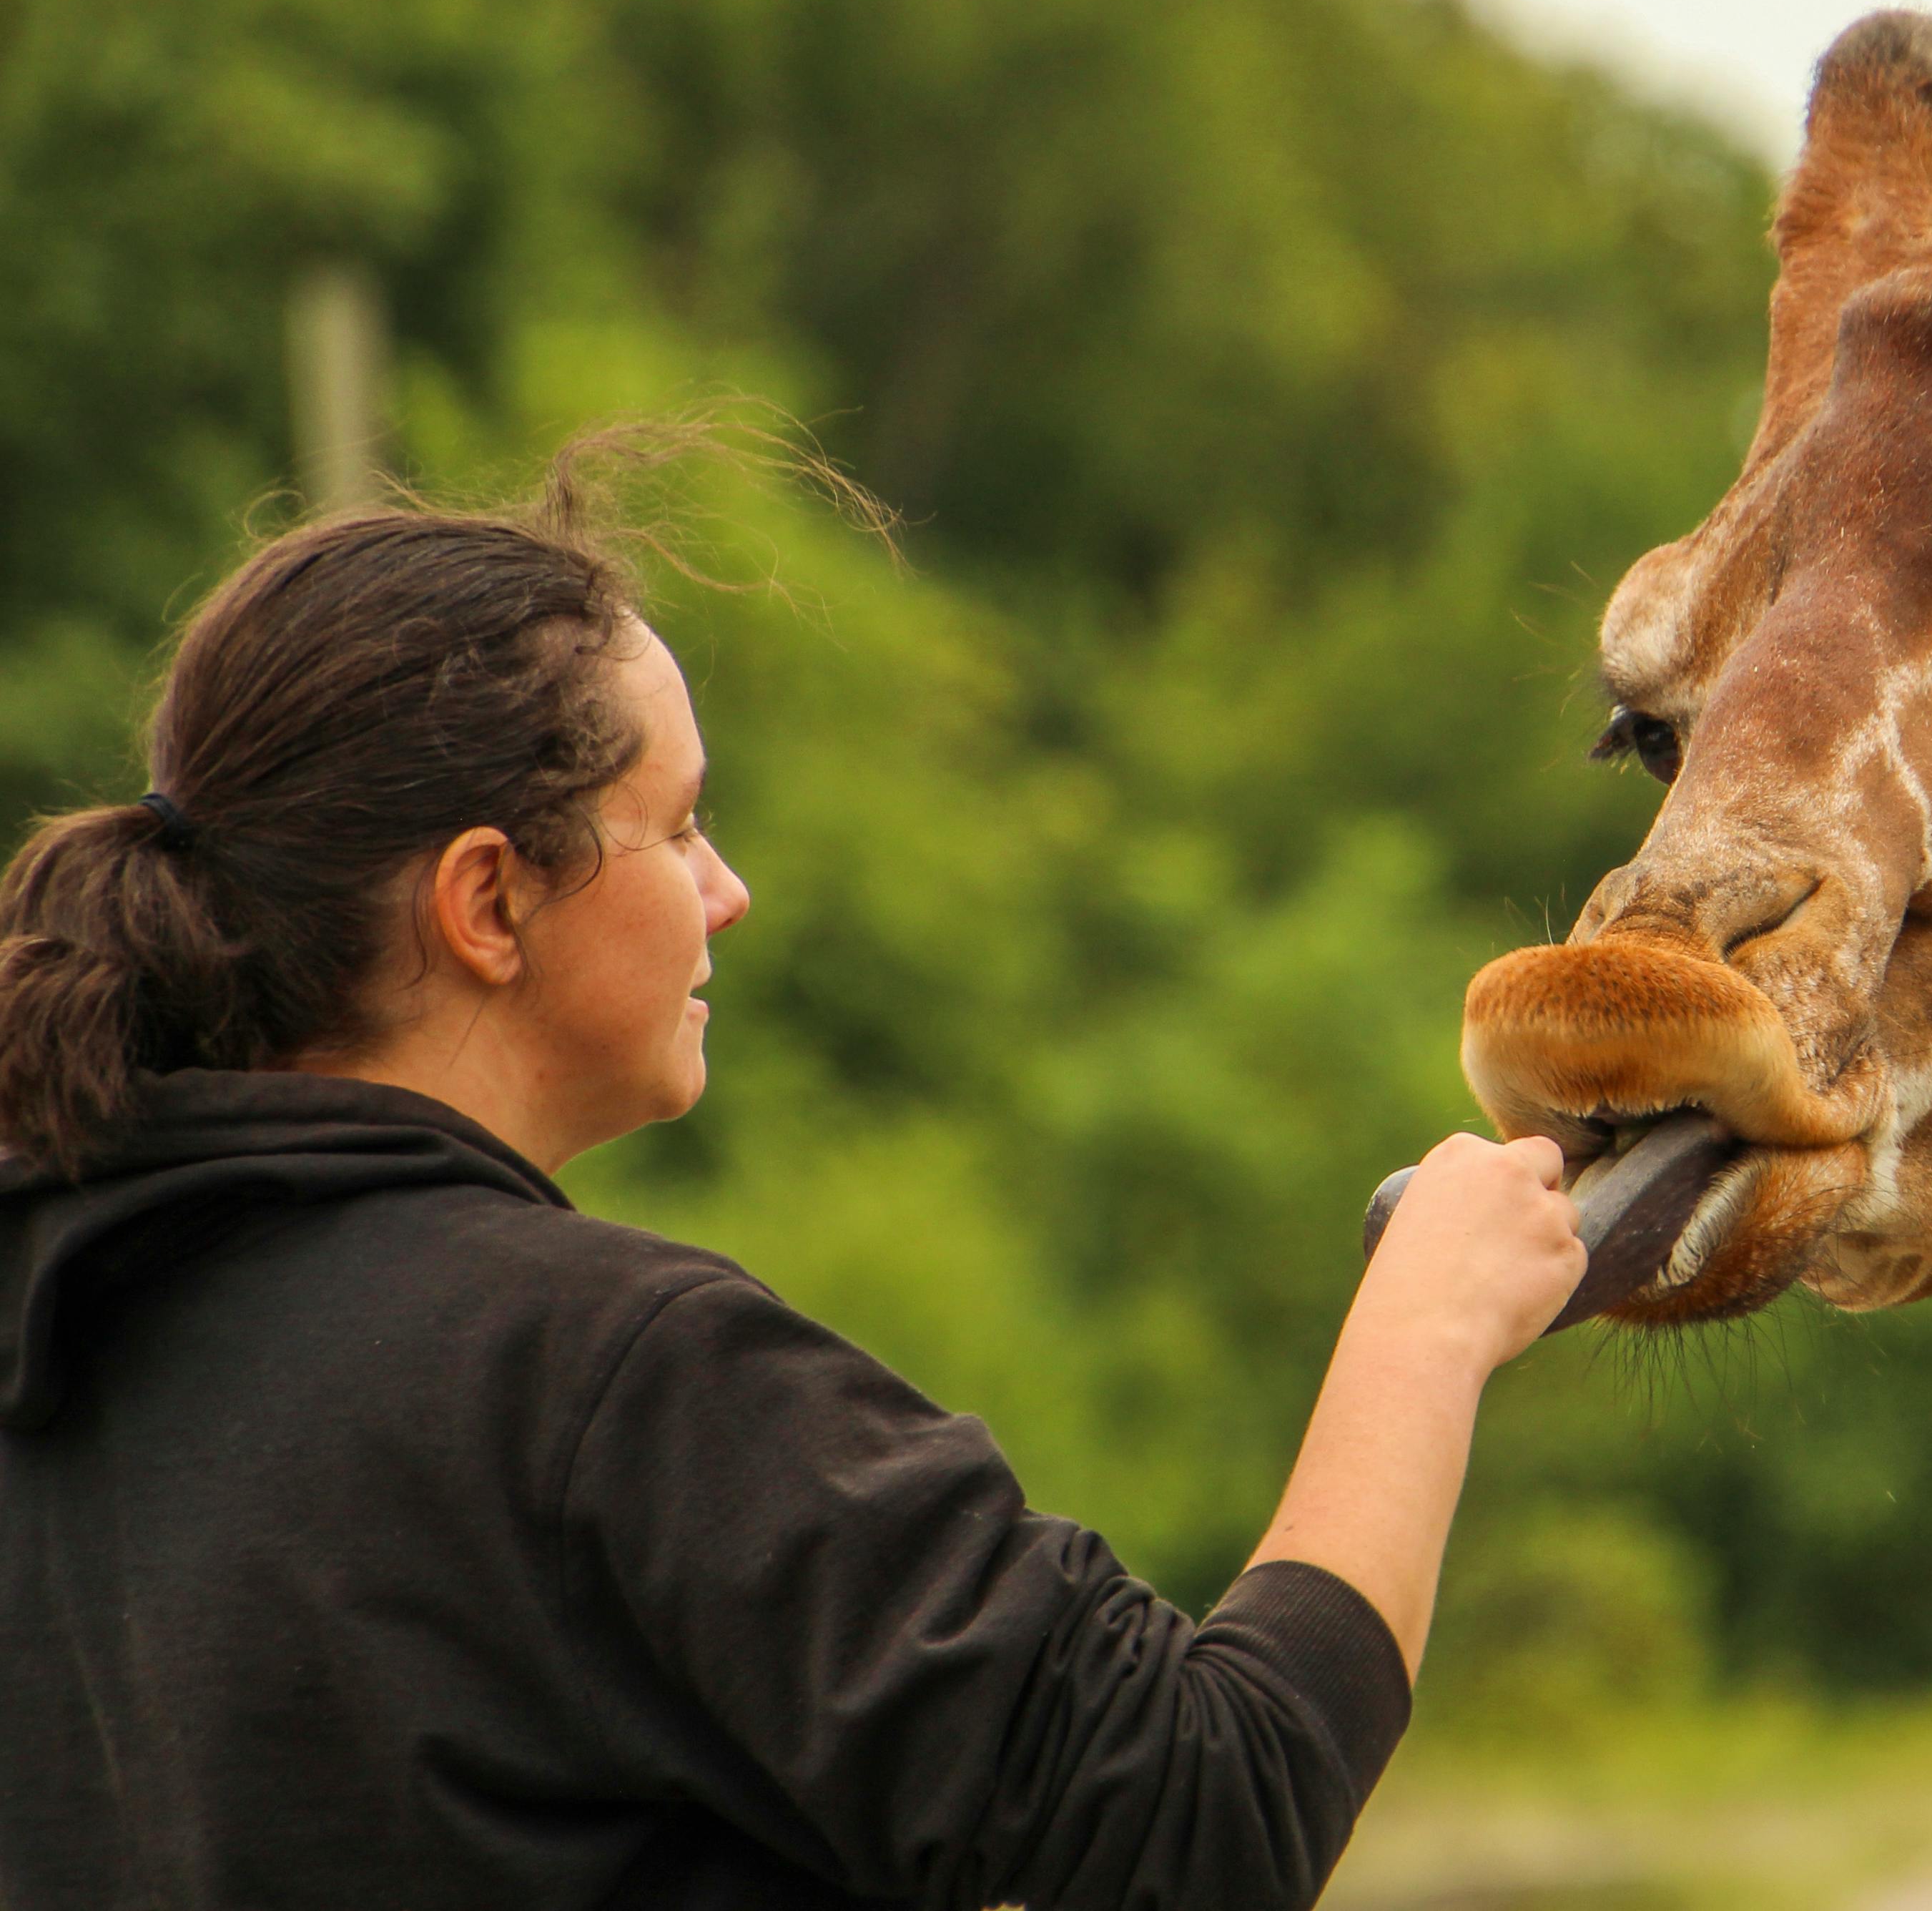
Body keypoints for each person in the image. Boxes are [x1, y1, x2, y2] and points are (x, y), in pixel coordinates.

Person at [0, 461, 1588, 1911]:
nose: (728, 890)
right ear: (488, 901)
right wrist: (1425, 1330)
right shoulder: (599, 1377)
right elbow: (1201, 1810)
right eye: (679, 823)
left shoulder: (49, 1330)